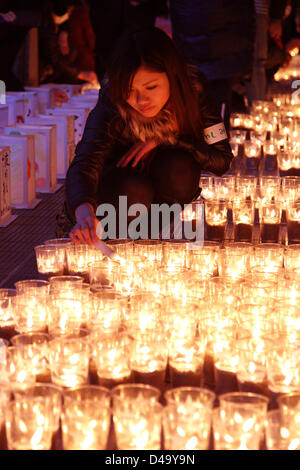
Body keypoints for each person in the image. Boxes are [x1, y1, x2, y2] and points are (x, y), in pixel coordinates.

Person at [64, 28, 233, 244]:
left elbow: (221, 160)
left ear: (173, 76)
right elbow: (85, 162)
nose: (140, 100)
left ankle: (148, 241)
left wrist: (169, 138)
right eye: (129, 90)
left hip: (164, 191)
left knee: (180, 169)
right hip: (116, 195)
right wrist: (84, 212)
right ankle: (116, 242)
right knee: (135, 189)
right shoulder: (113, 103)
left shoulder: (194, 91)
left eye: (151, 87)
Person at [169, 0, 255, 131]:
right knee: (213, 106)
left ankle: (214, 144)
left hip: (196, 38)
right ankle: (215, 144)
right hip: (220, 42)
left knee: (209, 106)